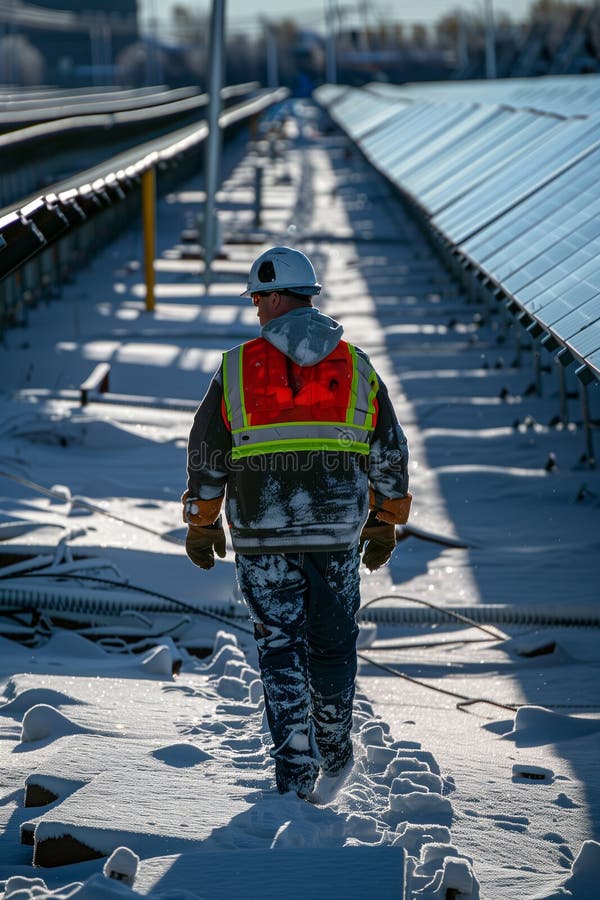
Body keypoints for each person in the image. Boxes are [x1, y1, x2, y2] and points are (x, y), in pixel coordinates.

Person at [183, 246, 411, 800]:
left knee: (280, 645)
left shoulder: (236, 367)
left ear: (279, 296)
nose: (256, 309)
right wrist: (385, 519)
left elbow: (208, 450)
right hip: (335, 534)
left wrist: (202, 518)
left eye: (259, 297)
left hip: (262, 535)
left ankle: (295, 774)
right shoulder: (356, 365)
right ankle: (334, 753)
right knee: (333, 643)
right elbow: (389, 451)